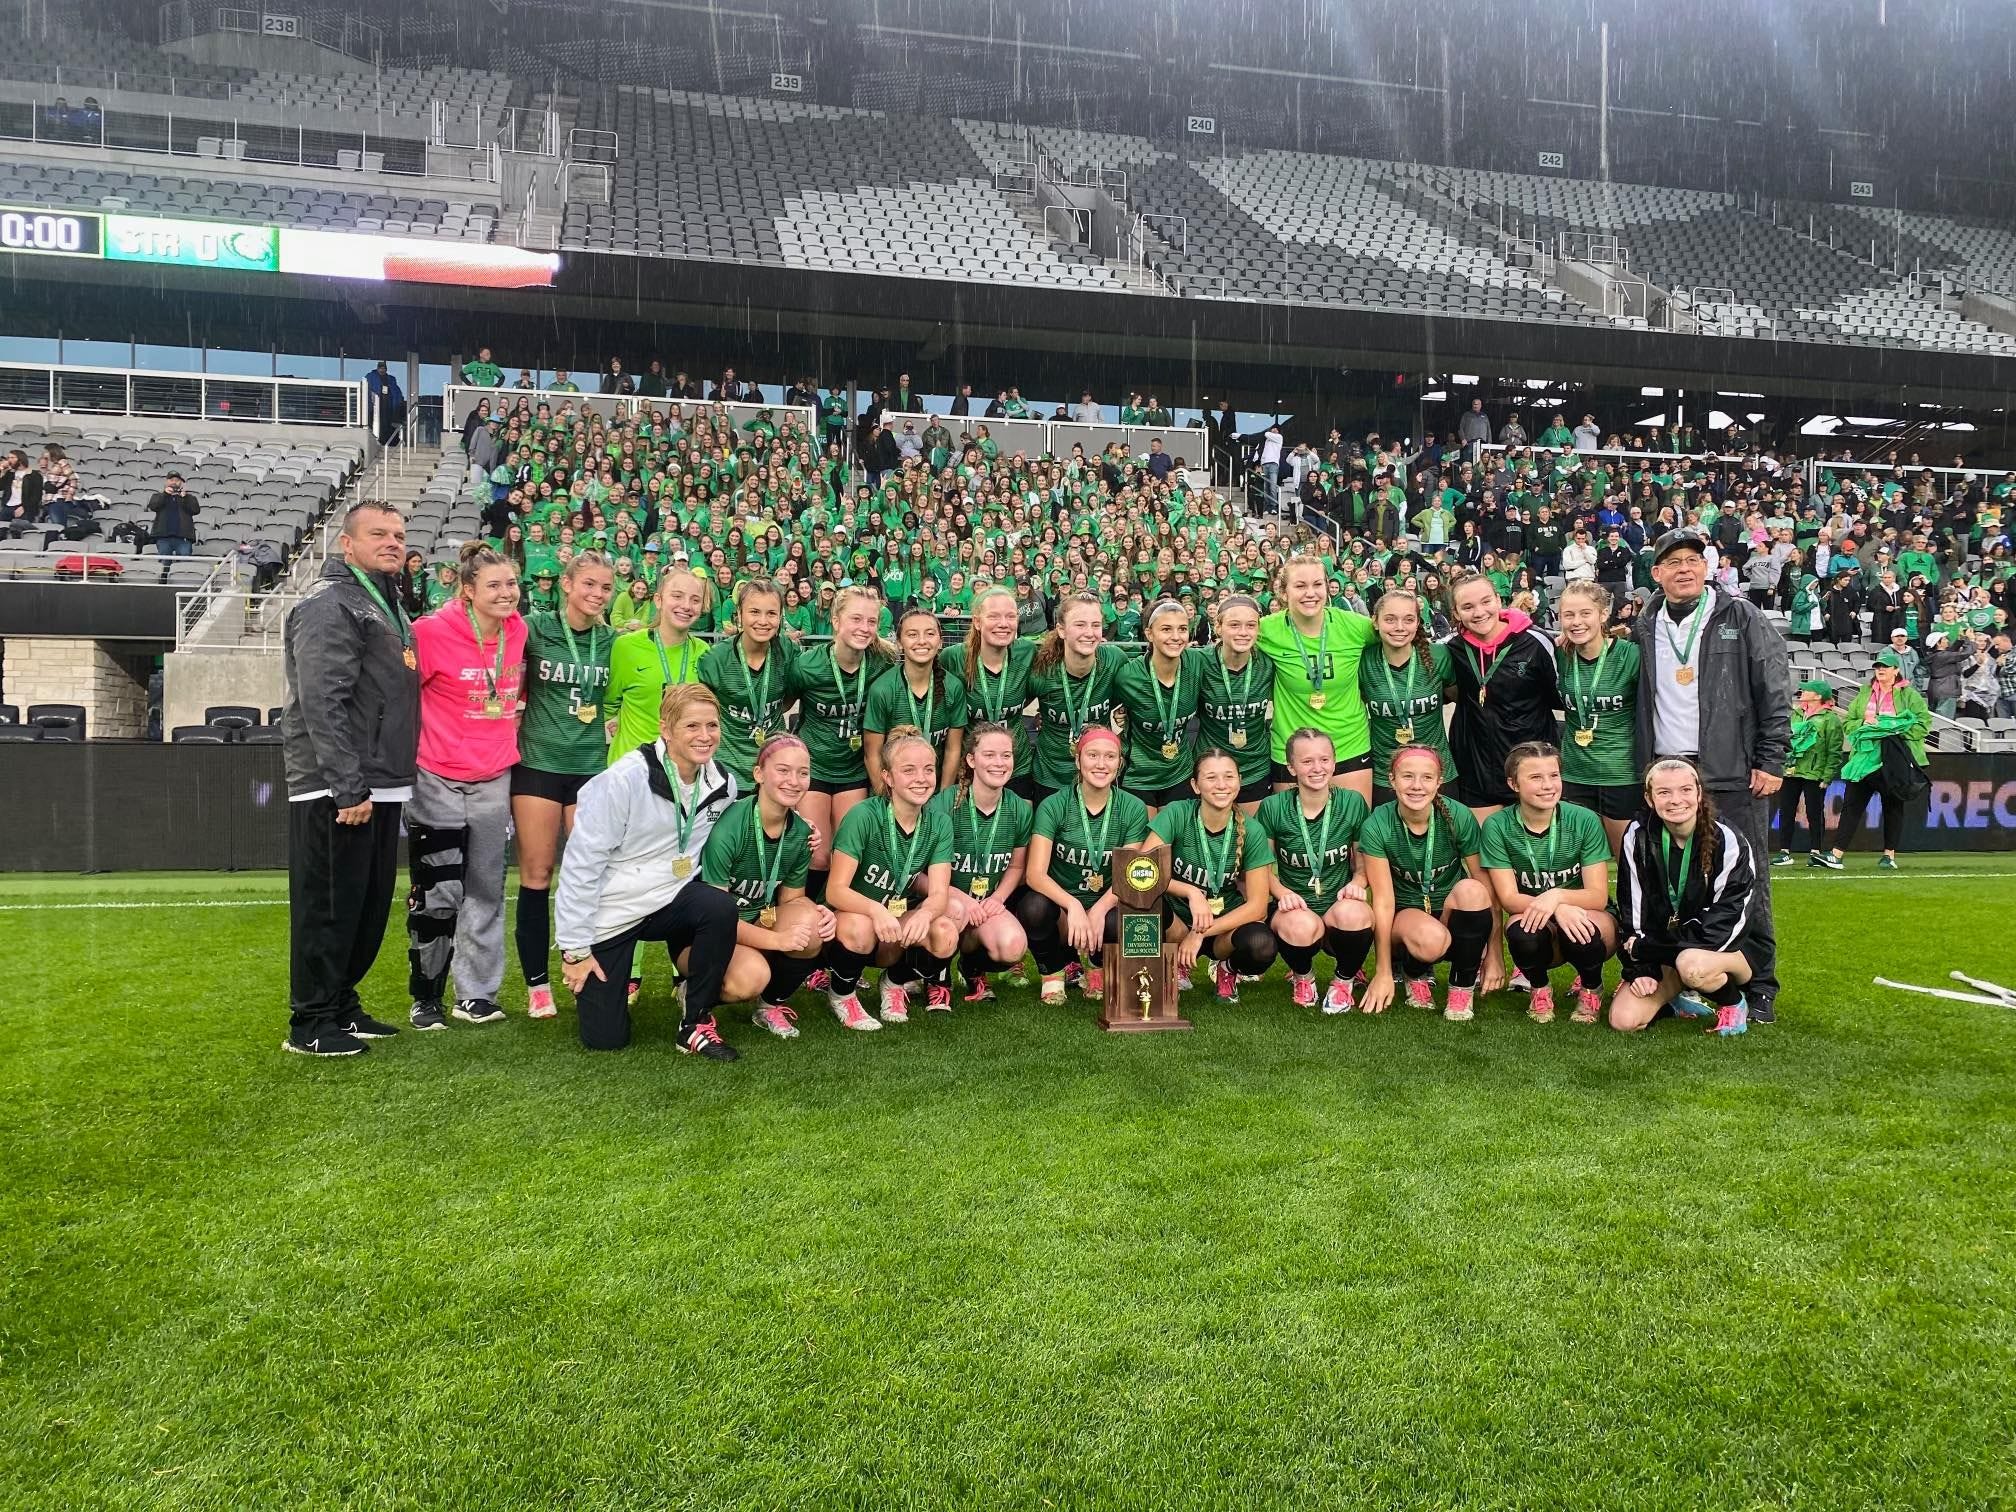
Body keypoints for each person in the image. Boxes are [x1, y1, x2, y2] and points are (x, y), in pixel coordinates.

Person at [1632, 527, 1789, 1023]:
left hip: (1727, 771)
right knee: (1664, 877)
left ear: (1708, 567)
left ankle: (1759, 983)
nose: (1684, 568)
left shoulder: (1740, 615)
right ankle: (1673, 979)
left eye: (1693, 560)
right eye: (1673, 561)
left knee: (1750, 879)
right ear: (1656, 573)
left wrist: (1771, 758)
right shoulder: (1645, 621)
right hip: (1663, 769)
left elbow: (1773, 687)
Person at [281, 501, 421, 1056]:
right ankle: (310, 1020)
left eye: (399, 534)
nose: (392, 542)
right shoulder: (329, 604)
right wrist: (347, 785)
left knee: (363, 904)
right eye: (378, 533)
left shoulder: (382, 603)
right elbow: (322, 700)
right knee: (330, 904)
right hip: (339, 785)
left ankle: (340, 1003)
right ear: (347, 544)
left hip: (380, 780)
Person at [554, 684, 744, 1057]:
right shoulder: (624, 779)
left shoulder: (724, 784)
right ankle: (604, 985)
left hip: (673, 900)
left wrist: (803, 829)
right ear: (666, 728)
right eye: (692, 726)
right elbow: (580, 866)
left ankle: (696, 1020)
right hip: (616, 911)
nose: (704, 736)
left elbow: (746, 828)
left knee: (720, 907)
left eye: (712, 725)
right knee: (605, 1039)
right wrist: (574, 951)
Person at [405, 542, 527, 1031]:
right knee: (438, 891)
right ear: (468, 589)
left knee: (486, 892)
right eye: (494, 585)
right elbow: (400, 699)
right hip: (436, 776)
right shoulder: (430, 632)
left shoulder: (518, 631)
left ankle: (476, 994)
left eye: (511, 584)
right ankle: (426, 996)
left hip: (494, 778)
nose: (506, 594)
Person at [512, 552, 616, 1020]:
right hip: (538, 764)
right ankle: (536, 983)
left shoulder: (613, 640)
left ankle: (581, 964)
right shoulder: (534, 628)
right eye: (589, 585)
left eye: (605, 588)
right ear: (567, 585)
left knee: (590, 875)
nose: (597, 595)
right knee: (537, 875)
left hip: (591, 769)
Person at [1609, 758, 1761, 1038]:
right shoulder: (1637, 835)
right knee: (1624, 1020)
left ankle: (1733, 1002)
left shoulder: (1727, 839)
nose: (1675, 800)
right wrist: (1641, 967)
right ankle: (1676, 1000)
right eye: (1664, 792)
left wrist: (1645, 949)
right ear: (1649, 798)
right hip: (1667, 947)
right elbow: (1634, 908)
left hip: (1725, 949)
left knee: (1693, 965)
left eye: (1685, 790)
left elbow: (1726, 923)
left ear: (1699, 793)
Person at [822, 726, 959, 1027]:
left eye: (927, 769)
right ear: (887, 777)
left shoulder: (939, 823)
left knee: (945, 930)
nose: (921, 778)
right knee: (858, 927)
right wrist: (875, 909)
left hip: (896, 923)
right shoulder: (863, 816)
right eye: (908, 770)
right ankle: (842, 994)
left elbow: (938, 894)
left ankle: (895, 983)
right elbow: (835, 891)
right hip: (855, 921)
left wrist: (925, 914)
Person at [699, 734, 832, 1040]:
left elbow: (793, 901)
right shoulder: (730, 828)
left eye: (803, 773)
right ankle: (694, 993)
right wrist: (779, 941)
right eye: (782, 771)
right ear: (758, 774)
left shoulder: (801, 832)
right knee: (749, 978)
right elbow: (715, 918)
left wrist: (820, 914)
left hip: (760, 919)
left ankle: (770, 1005)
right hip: (711, 933)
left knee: (813, 926)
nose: (794, 781)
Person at [1358, 746, 1501, 1019]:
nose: (1416, 786)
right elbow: (1384, 901)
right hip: (1407, 917)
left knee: (1474, 890)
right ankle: (1413, 975)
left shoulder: (1458, 816)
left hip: (1450, 911)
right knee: (1431, 940)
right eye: (1407, 776)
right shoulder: (1378, 823)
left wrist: (1494, 954)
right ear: (1392, 780)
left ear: (1439, 782)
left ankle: (1462, 987)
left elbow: (1488, 891)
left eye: (1426, 777)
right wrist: (1383, 972)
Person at [1479, 743, 1616, 1026]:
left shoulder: (1584, 819)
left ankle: (1591, 988)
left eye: (1554, 776)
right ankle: (1539, 988)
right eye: (1535, 777)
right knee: (1521, 932)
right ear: (1513, 783)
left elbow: (1598, 896)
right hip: (1536, 917)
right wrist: (1555, 908)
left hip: (1586, 914)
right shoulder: (1497, 825)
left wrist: (1557, 899)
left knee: (1583, 928)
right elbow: (1508, 898)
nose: (1548, 785)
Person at [1015, 727, 1153, 1005]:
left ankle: (1097, 966)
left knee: (1123, 919)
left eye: (1110, 757)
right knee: (1033, 907)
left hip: (1106, 902)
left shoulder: (1133, 807)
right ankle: (1053, 971)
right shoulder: (1053, 805)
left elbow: (1128, 875)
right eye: (1092, 755)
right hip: (1064, 908)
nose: (1101, 764)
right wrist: (1074, 906)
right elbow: (1035, 874)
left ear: (1119, 763)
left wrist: (1099, 909)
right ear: (1078, 761)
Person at [1256, 728, 1375, 1013]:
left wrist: (1358, 881)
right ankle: (1303, 976)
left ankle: (1343, 980)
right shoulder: (1273, 807)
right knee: (1298, 925)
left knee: (1356, 912)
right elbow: (1259, 868)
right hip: (1297, 907)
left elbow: (1365, 862)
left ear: (1334, 763)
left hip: (1337, 905)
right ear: (1291, 766)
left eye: (1324, 759)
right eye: (1307, 761)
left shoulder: (1353, 803)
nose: (1317, 768)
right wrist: (1281, 892)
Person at [790, 584, 896, 900]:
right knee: (818, 856)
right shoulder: (807, 665)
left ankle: (837, 929)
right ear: (836, 621)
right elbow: (782, 705)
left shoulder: (882, 664)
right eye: (856, 619)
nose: (864, 628)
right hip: (816, 768)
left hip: (854, 770)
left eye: (872, 621)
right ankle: (806, 918)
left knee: (845, 855)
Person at [1151, 750, 1280, 1002]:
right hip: (1176, 920)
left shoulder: (1252, 830)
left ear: (1239, 782)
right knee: (1144, 902)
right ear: (1195, 785)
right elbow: (1141, 870)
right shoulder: (1177, 814)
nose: (1221, 785)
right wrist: (1190, 892)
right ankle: (1170, 963)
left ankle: (1227, 969)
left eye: (1229, 776)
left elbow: (1258, 907)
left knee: (1260, 944)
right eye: (1211, 777)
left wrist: (1199, 933)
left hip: (1220, 928)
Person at [924, 722, 1035, 1002]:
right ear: (971, 760)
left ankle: (971, 969)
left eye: (1006, 755)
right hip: (943, 900)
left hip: (984, 903)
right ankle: (935, 980)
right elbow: (920, 872)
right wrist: (962, 898)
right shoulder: (944, 804)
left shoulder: (1019, 807)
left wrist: (997, 898)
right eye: (989, 755)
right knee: (955, 910)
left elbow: (1017, 866)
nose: (999, 763)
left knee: (1012, 946)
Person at [1256, 554, 1379, 801]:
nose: (1310, 593)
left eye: (1317, 584)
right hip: (1292, 751)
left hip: (1349, 745)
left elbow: (1398, 632)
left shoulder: (1354, 626)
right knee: (1295, 836)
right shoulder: (1265, 630)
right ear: (1283, 592)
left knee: (1353, 832)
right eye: (1300, 586)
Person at [1445, 571, 1558, 821]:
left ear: (1498, 600)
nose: (1479, 612)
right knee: (1489, 853)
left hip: (1531, 765)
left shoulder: (1536, 642)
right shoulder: (1451, 649)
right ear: (1455, 613)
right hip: (1477, 768)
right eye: (1467, 606)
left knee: (1536, 852)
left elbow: (1559, 697)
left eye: (1486, 601)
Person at [1819, 650, 1931, 871]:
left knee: (1893, 806)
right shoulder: (1864, 692)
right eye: (1878, 666)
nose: (1880, 669)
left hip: (1893, 758)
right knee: (1852, 805)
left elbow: (1923, 724)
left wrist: (1891, 728)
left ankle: (1889, 855)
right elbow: (1849, 723)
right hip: (1864, 758)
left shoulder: (1910, 695)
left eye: (1885, 667)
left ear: (1896, 671)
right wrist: (1865, 724)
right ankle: (1836, 854)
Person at [1553, 581, 1641, 852]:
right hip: (1574, 774)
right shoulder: (1562, 655)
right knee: (1577, 861)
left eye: (1585, 613)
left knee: (1627, 861)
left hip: (1620, 774)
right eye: (1568, 615)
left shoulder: (1630, 655)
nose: (1576, 622)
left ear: (1603, 615)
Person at [1358, 586, 1456, 810]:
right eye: (1390, 619)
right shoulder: (1364, 661)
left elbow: (1457, 696)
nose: (1399, 627)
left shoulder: (1438, 656)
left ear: (1418, 623)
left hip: (1438, 772)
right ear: (1375, 621)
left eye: (1408, 619)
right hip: (1386, 775)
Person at [698, 578, 800, 790]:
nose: (763, 621)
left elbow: (790, 697)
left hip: (774, 764)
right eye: (754, 612)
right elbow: (704, 714)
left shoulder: (787, 651)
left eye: (771, 613)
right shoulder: (716, 659)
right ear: (740, 614)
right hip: (727, 767)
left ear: (780, 617)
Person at [1025, 592, 1127, 801]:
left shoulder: (1115, 661)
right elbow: (1013, 710)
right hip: (1050, 776)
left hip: (1096, 774)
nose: (1089, 633)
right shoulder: (1042, 671)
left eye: (1096, 625)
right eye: (1080, 625)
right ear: (1061, 630)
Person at [605, 568, 707, 765]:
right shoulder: (626, 646)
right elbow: (608, 705)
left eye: (695, 600)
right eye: (677, 596)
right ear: (658, 600)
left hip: (680, 769)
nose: (686, 606)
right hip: (631, 769)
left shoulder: (704, 653)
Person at [949, 585, 1040, 800]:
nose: (1003, 624)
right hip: (972, 764)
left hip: (1016, 764)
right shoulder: (954, 658)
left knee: (1018, 827)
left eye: (1010, 616)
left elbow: (1048, 683)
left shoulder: (1027, 652)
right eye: (994, 617)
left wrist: (1047, 709)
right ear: (977, 622)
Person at [1115, 599, 1205, 813]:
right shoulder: (1128, 675)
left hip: (1180, 773)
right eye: (1166, 629)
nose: (1176, 637)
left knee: (1173, 844)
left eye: (1182, 629)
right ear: (1149, 634)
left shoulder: (1198, 663)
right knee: (1144, 846)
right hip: (1138, 776)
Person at [1189, 593, 1275, 814]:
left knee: (1252, 838)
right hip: (1211, 768)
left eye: (1251, 625)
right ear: (1218, 627)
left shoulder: (1268, 664)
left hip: (1255, 767)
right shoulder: (1200, 662)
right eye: (1234, 625)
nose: (1243, 632)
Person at [865, 606, 967, 790]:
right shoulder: (882, 689)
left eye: (929, 634)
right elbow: (873, 755)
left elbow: (953, 750)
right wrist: (888, 800)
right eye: (912, 634)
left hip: (934, 792)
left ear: (940, 642)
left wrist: (942, 799)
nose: (922, 641)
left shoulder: (953, 688)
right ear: (899, 642)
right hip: (894, 793)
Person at [1775, 680, 1846, 868]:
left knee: (1814, 813)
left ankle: (1816, 851)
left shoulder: (1830, 719)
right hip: (1791, 770)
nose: (1802, 692)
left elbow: (1834, 750)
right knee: (1786, 811)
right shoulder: (1796, 714)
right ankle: (1784, 852)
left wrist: (1827, 775)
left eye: (1807, 690)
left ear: (1818, 696)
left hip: (1815, 773)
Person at [146, 472, 199, 557]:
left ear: (181, 482)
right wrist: (165, 494)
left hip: (183, 538)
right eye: (171, 480)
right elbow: (153, 506)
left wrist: (184, 498)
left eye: (177, 480)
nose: (174, 482)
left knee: (184, 564)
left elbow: (196, 510)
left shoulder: (190, 498)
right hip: (163, 537)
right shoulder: (158, 496)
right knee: (164, 564)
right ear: (167, 482)